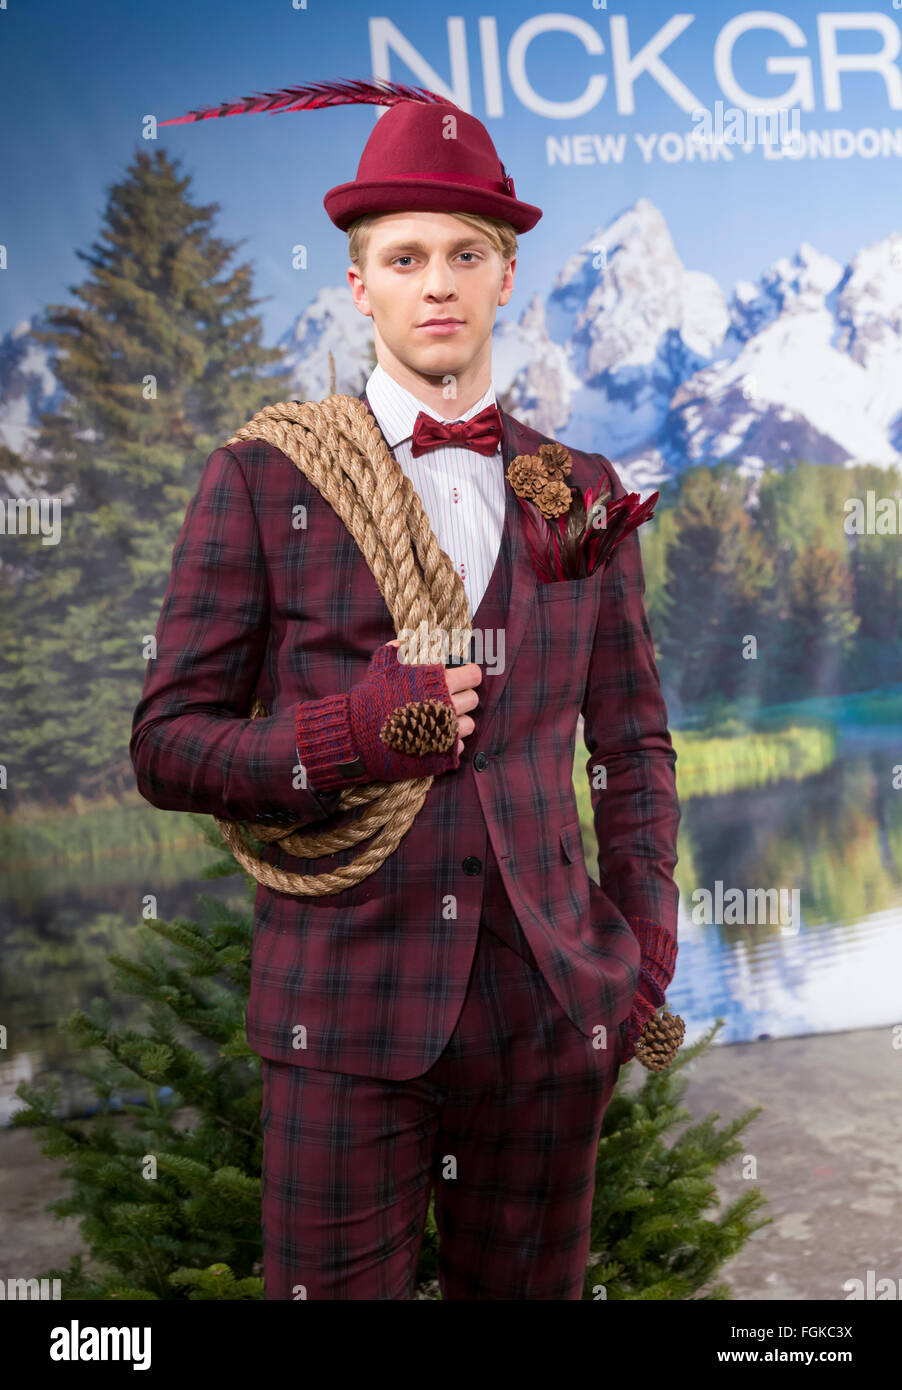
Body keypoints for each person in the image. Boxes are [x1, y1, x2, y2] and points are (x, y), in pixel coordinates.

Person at [131, 86, 681, 1300]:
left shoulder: (579, 488)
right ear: (358, 286)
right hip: (345, 1011)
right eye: (404, 256)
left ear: (504, 277)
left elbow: (631, 742)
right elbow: (165, 746)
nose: (435, 282)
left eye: (462, 254)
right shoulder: (262, 477)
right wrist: (343, 738)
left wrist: (642, 936)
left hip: (549, 1006)